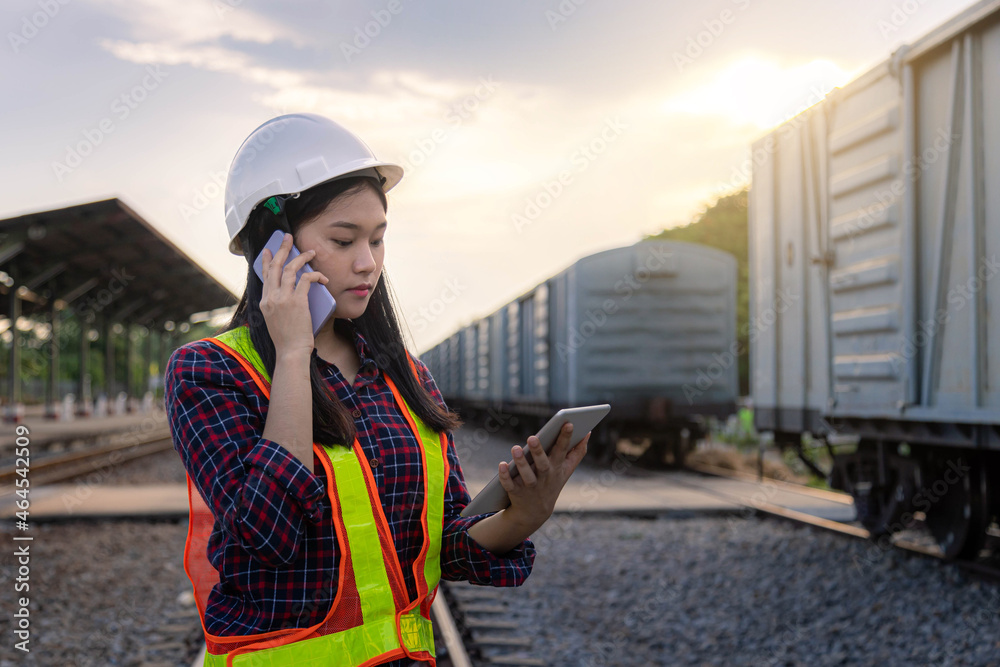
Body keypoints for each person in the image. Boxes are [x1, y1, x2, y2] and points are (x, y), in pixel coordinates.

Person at [165, 112, 591, 667]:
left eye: (378, 239)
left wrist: (525, 514)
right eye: (343, 240)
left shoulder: (407, 379)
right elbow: (268, 537)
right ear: (272, 247)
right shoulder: (209, 372)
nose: (368, 263)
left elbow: (447, 547)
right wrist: (294, 353)